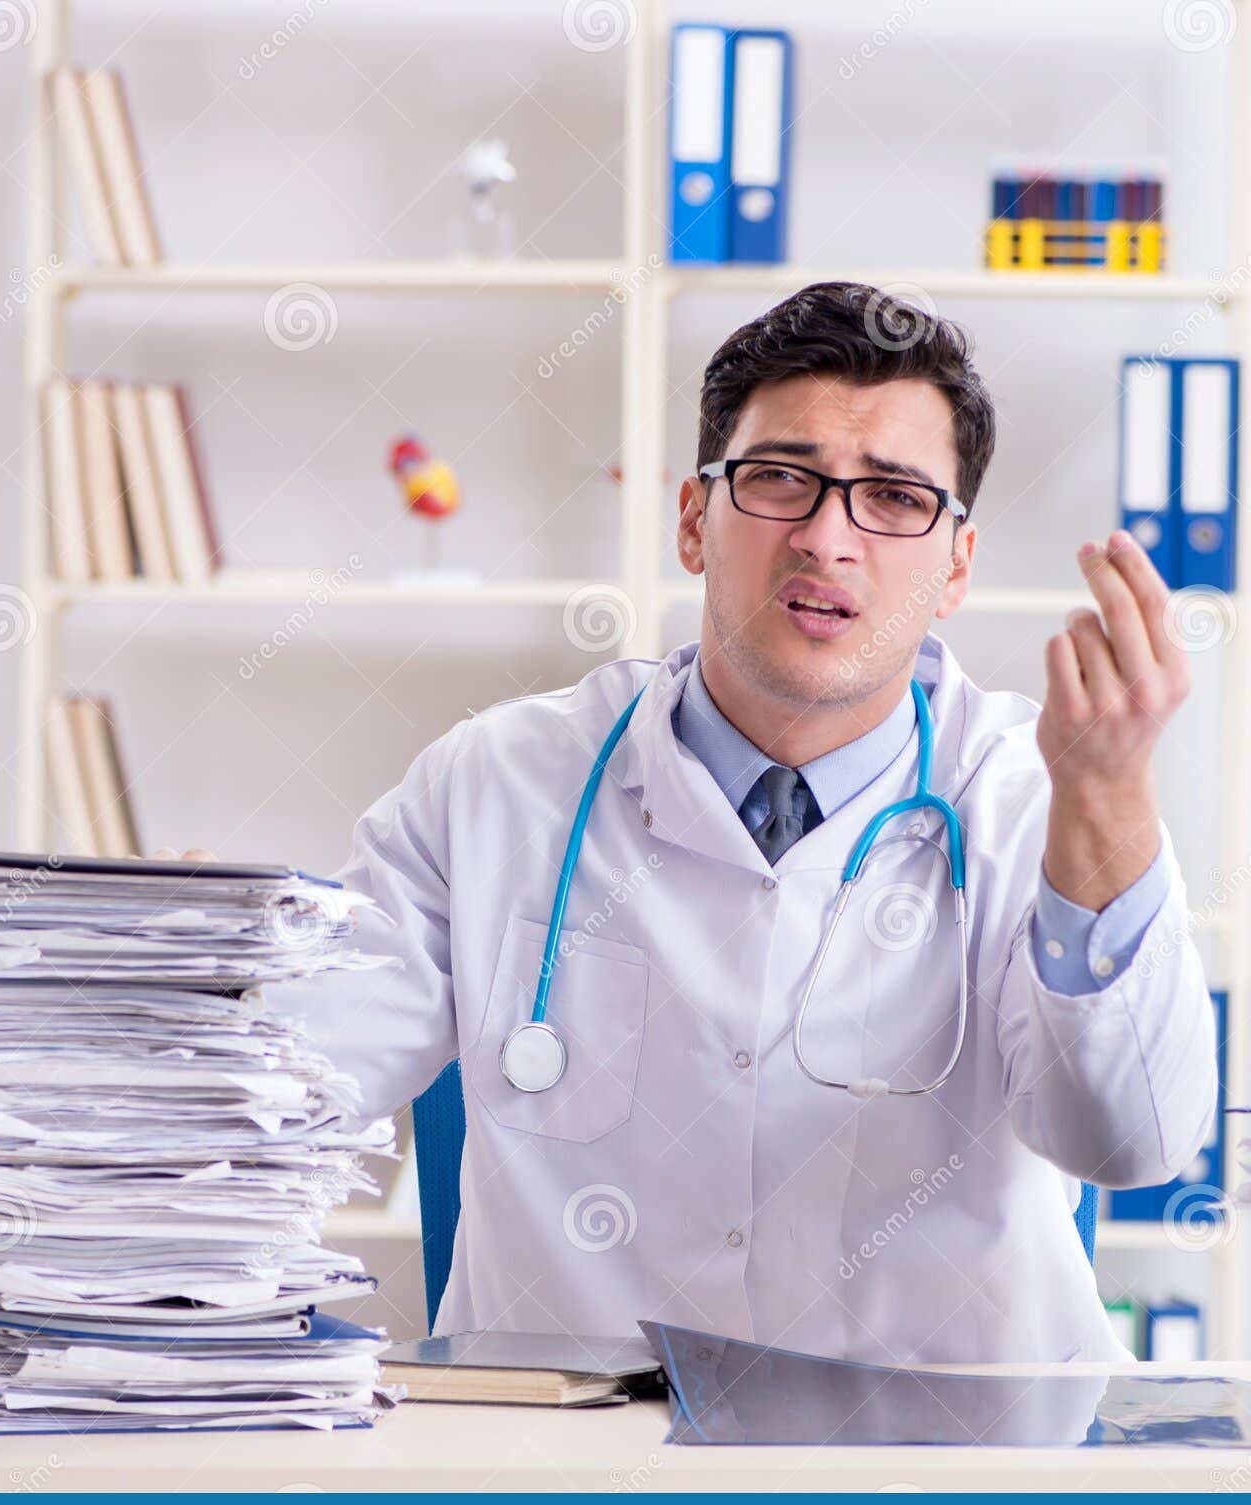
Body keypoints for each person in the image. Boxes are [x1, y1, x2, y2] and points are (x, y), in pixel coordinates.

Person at [172, 281, 1217, 1365]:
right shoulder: (495, 783)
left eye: (895, 499)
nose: (827, 537)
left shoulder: (1039, 795)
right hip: (569, 1488)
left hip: (941, 1484)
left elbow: (1130, 1139)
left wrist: (1105, 796)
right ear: (691, 519)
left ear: (955, 563)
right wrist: (171, 980)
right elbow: (278, 1096)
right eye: (779, 479)